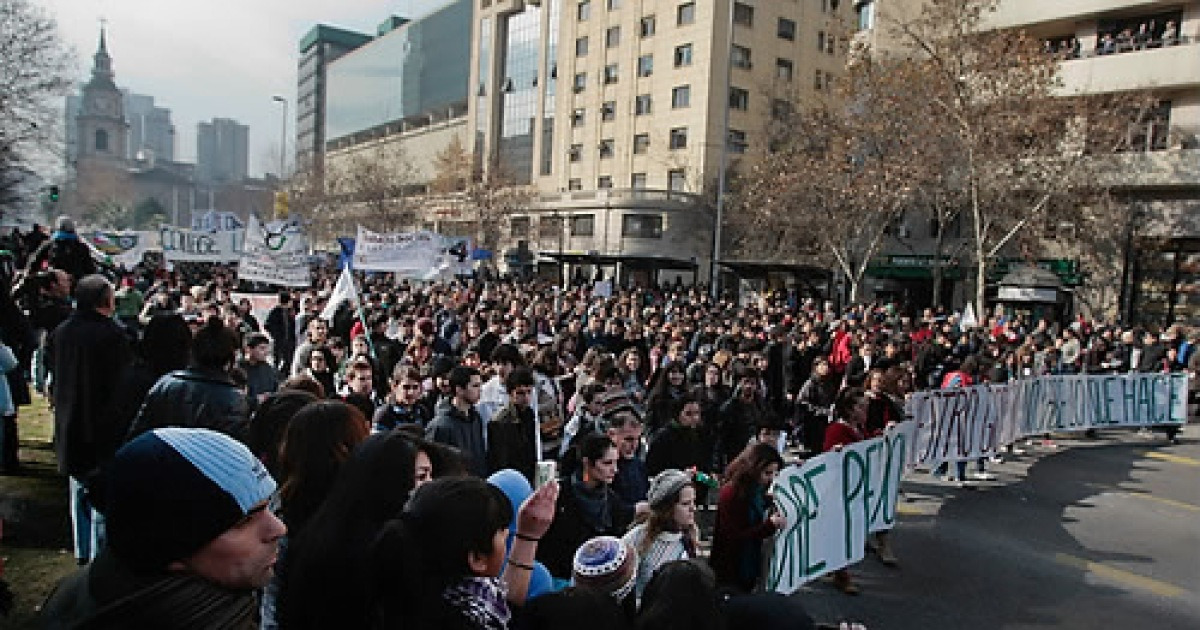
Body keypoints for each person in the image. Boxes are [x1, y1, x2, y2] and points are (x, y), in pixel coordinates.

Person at [40, 428, 285, 628]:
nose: (278, 528)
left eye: (268, 508)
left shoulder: (89, 593)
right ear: (170, 545)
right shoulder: (211, 617)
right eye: (245, 520)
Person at [370, 476, 558, 629]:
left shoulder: (417, 596)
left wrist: (527, 536)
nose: (508, 533)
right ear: (476, 558)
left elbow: (508, 609)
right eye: (501, 531)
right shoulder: (465, 621)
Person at [46, 274, 133, 564]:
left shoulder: (62, 331)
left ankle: (81, 551)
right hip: (100, 427)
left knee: (77, 492)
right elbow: (119, 385)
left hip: (68, 421)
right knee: (100, 498)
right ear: (105, 300)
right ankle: (97, 559)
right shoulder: (113, 335)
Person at [128, 317, 249, 443]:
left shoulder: (165, 384)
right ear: (229, 360)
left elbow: (137, 433)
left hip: (158, 457)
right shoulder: (234, 399)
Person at [539, 433, 634, 578]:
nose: (615, 469)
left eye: (616, 463)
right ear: (587, 463)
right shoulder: (559, 495)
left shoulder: (612, 500)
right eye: (607, 463)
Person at [709, 443, 785, 593]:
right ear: (753, 469)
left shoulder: (753, 488)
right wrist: (769, 526)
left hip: (745, 566)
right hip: (732, 569)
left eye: (775, 474)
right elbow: (735, 535)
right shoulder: (732, 494)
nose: (771, 479)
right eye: (768, 473)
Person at [622, 469, 699, 601]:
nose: (693, 508)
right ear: (667, 508)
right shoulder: (637, 537)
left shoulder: (689, 536)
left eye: (693, 502)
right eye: (685, 504)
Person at [426, 365, 488, 476]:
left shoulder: (476, 418)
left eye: (480, 385)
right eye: (475, 386)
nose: (480, 390)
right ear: (459, 389)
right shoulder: (441, 425)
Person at [488, 366, 540, 482]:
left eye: (529, 392)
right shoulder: (500, 421)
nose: (526, 398)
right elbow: (501, 460)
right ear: (510, 393)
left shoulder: (529, 413)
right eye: (520, 393)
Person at [24, 215, 96, 285]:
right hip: (77, 285)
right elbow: (90, 269)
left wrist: (28, 275)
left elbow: (34, 262)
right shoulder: (82, 246)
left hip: (54, 286)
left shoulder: (50, 244)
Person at [373, 364, 433, 432]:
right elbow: (377, 440)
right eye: (406, 387)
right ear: (394, 387)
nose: (411, 392)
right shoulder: (384, 415)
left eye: (415, 387)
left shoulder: (422, 412)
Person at [796, 357, 838, 455]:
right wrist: (820, 411)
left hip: (827, 420)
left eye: (827, 365)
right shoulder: (810, 383)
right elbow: (802, 402)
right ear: (816, 367)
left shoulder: (829, 383)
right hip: (813, 422)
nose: (825, 368)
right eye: (822, 365)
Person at [239, 332, 280, 410]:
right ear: (248, 349)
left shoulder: (269, 369)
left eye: (267, 348)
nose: (266, 352)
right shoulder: (238, 370)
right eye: (262, 348)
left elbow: (276, 389)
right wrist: (256, 400)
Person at [265, 291, 296, 374]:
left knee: (288, 360)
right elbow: (267, 325)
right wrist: (276, 335)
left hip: (289, 341)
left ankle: (283, 375)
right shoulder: (275, 311)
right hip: (279, 341)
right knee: (277, 361)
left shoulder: (290, 311)